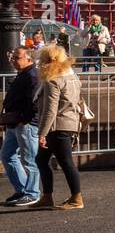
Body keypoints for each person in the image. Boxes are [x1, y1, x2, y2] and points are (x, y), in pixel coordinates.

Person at [34, 44, 84, 210]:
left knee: (66, 162)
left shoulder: (53, 80)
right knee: (41, 160)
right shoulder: (72, 76)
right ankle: (47, 196)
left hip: (57, 126)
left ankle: (76, 198)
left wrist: (42, 133)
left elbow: (50, 111)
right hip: (70, 122)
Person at [1, 47, 43, 207]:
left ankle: (32, 193)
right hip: (15, 122)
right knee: (7, 155)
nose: (13, 60)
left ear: (29, 59)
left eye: (17, 57)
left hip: (25, 124)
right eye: (13, 57)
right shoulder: (24, 74)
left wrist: (23, 119)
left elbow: (34, 102)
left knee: (29, 159)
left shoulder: (32, 75)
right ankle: (22, 189)